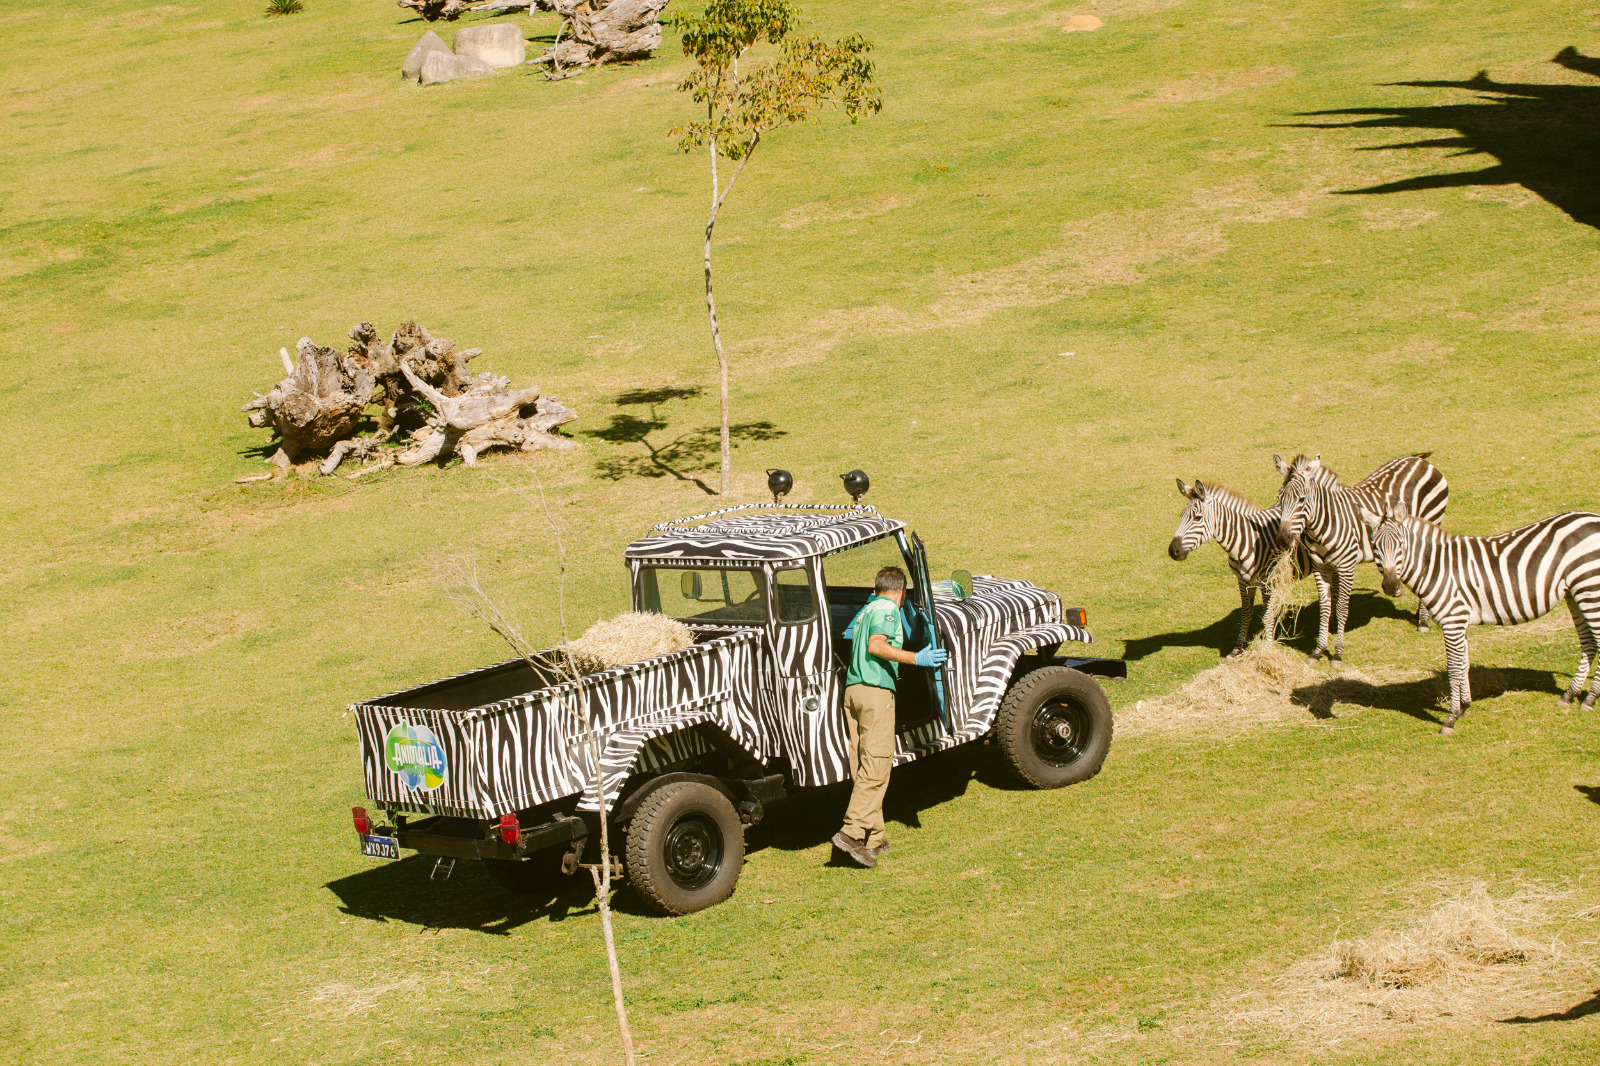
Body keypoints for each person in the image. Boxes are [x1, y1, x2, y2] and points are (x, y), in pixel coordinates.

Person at [831, 566, 948, 869]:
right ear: (902, 592)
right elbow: (877, 646)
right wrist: (916, 658)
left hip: (853, 692)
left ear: (877, 588)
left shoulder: (867, 609)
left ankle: (873, 838)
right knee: (878, 763)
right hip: (875, 692)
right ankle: (851, 833)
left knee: (863, 764)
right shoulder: (887, 609)